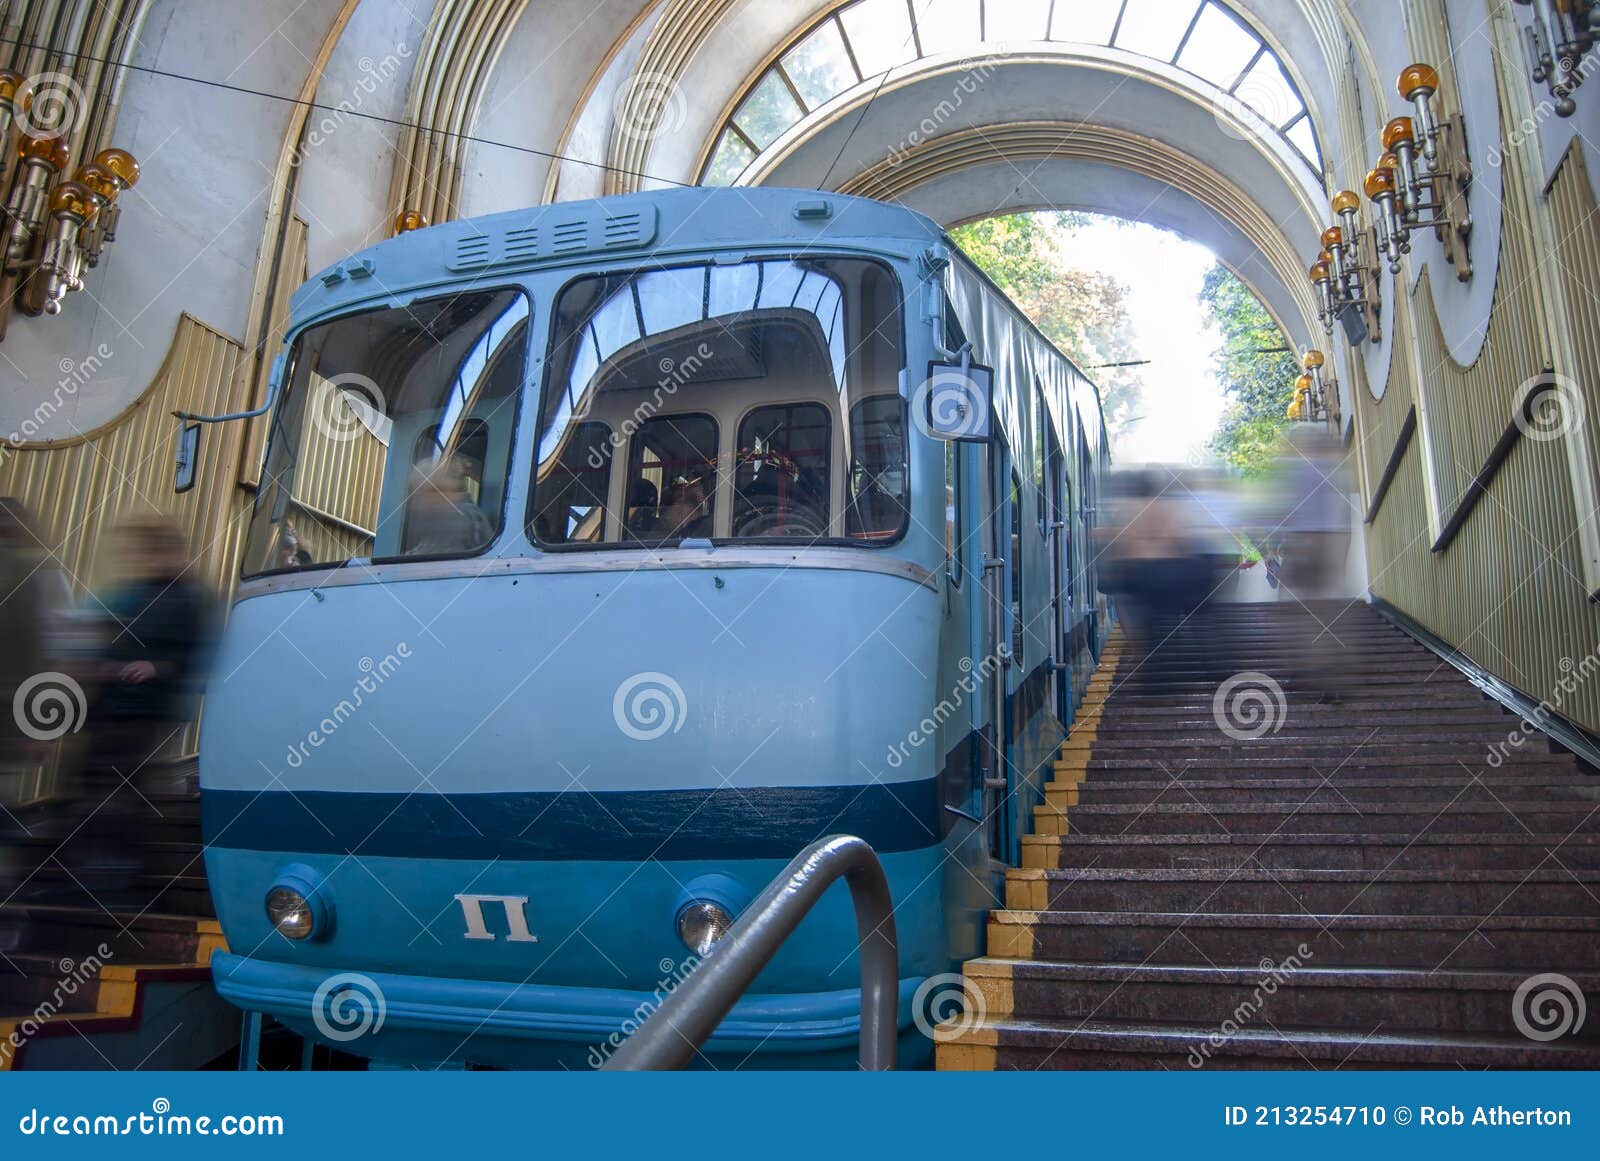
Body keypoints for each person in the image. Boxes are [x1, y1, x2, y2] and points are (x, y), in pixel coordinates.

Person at [66, 517, 216, 899]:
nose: (143, 559)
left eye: (150, 551)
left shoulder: (191, 599)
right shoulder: (133, 594)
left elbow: (199, 655)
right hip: (112, 705)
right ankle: (92, 869)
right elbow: (106, 639)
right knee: (92, 782)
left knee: (128, 787)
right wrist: (99, 663)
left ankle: (126, 875)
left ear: (168, 552)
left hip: (152, 708)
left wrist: (157, 667)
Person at [405, 456, 493, 555]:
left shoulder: (467, 516)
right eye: (417, 493)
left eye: (429, 491)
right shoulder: (431, 524)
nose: (420, 501)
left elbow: (442, 553)